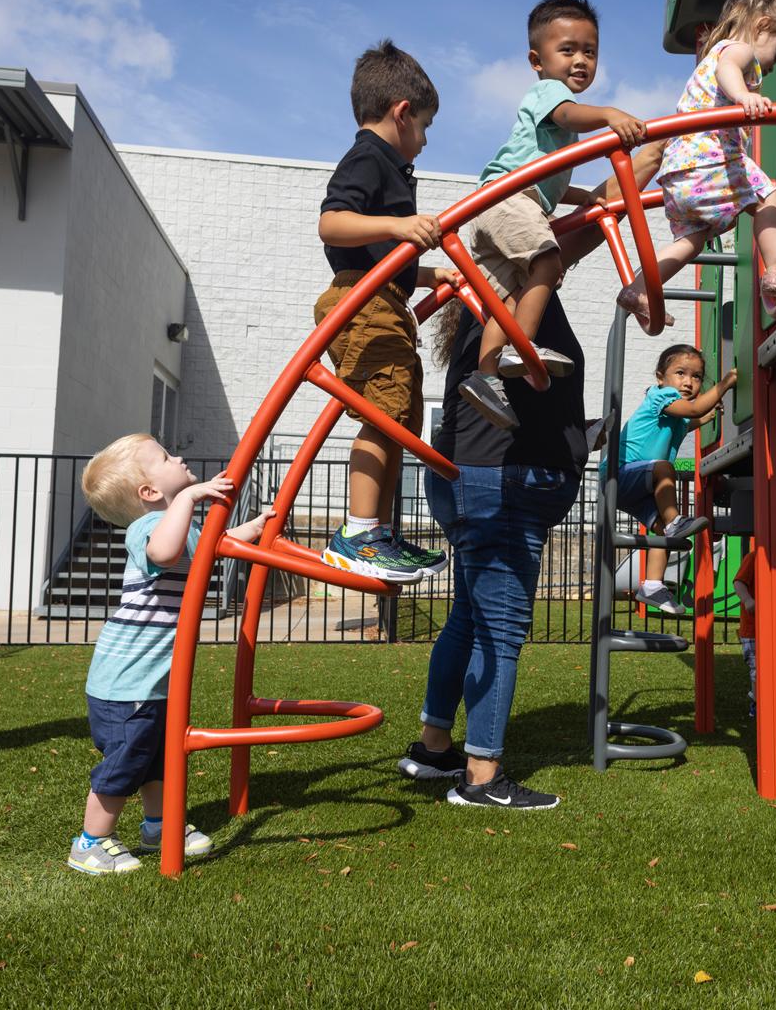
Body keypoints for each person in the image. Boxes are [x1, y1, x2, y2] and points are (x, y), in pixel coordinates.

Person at [397, 289, 588, 810]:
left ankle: (434, 748)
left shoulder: (485, 309)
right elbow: (563, 249)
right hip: (500, 480)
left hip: (475, 476)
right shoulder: (514, 293)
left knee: (469, 618)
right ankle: (481, 777)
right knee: (500, 629)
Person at [68, 434, 273, 874]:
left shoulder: (179, 527)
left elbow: (214, 546)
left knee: (158, 759)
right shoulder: (148, 527)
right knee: (125, 762)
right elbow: (164, 551)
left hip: (152, 681)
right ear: (149, 492)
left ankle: (159, 825)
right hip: (126, 683)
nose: (177, 456)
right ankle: (90, 842)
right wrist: (191, 497)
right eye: (165, 457)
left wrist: (254, 527)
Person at [457, 0, 653, 430]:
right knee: (549, 260)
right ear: (537, 60)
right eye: (567, 50)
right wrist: (610, 115)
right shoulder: (551, 94)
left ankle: (486, 376)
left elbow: (547, 180)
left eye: (590, 52)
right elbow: (568, 116)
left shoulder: (557, 128)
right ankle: (520, 348)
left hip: (504, 204)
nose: (580, 60)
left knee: (510, 299)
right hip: (508, 201)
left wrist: (583, 197)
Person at [314, 40, 460, 584]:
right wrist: (400, 225)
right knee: (383, 413)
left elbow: (378, 258)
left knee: (399, 418)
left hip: (383, 299)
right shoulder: (370, 158)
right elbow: (332, 224)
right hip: (362, 303)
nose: (424, 141)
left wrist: (427, 273)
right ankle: (357, 533)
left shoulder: (391, 168)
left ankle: (378, 531)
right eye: (424, 126)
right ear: (402, 113)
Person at [618, 0, 776, 318]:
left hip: (678, 177)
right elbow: (729, 68)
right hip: (708, 161)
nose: (774, 65)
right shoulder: (738, 51)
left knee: (691, 241)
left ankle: (639, 288)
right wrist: (743, 96)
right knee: (768, 195)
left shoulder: (709, 59)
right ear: (762, 27)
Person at [614, 344, 735, 614]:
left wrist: (709, 414)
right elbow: (693, 411)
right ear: (661, 377)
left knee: (659, 530)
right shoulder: (660, 396)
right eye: (681, 373)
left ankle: (652, 586)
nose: (688, 382)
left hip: (639, 485)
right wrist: (725, 383)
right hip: (621, 474)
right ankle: (674, 522)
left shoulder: (675, 416)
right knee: (665, 469)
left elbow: (691, 420)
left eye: (696, 377)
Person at [732, 541, 776, 716]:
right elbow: (738, 582)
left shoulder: (775, 562)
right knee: (758, 668)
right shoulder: (753, 557)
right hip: (753, 629)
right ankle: (757, 702)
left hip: (773, 627)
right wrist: (747, 599)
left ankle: (766, 694)